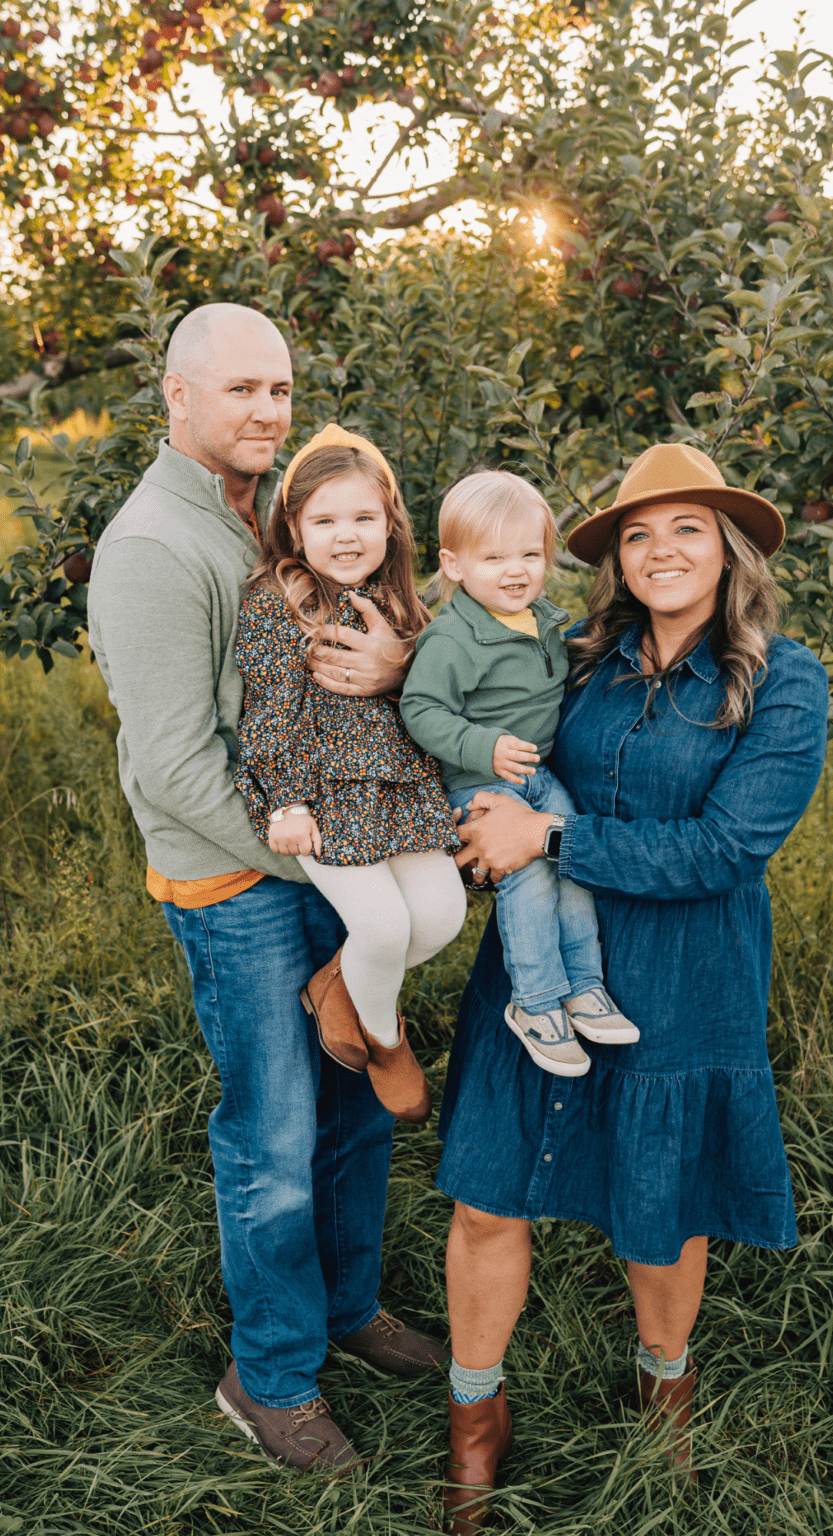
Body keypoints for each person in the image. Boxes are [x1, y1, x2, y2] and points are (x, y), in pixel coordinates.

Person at [436, 442, 830, 1531]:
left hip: (682, 975)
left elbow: (724, 850)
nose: (661, 550)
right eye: (638, 535)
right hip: (542, 966)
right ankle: (475, 1420)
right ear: (616, 563)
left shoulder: (781, 678)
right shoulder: (576, 660)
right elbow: (474, 716)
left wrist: (548, 834)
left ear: (728, 548)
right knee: (489, 1192)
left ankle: (667, 1396)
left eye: (686, 529)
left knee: (660, 1211)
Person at [87, 303, 449, 1478]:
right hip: (239, 881)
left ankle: (346, 1306)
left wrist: (399, 673)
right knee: (274, 1132)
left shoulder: (272, 523)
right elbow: (173, 763)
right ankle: (274, 1376)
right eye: (239, 389)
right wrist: (332, 861)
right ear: (177, 397)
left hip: (320, 858)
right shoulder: (156, 547)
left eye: (280, 391)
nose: (266, 410)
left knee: (347, 1107)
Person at [234, 423, 466, 1123]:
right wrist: (289, 802)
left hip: (399, 790)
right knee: (383, 927)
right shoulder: (280, 600)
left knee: (443, 915)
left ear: (390, 527)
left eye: (364, 518)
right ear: (294, 528)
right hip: (321, 796)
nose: (346, 535)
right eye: (325, 519)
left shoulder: (398, 603)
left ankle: (333, 986)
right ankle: (386, 1040)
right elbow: (272, 710)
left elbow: (427, 699)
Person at [400, 470, 638, 1079]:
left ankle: (582, 985)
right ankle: (535, 1002)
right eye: (495, 556)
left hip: (537, 776)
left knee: (572, 855)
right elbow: (420, 708)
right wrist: (483, 745)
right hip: (479, 784)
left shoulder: (546, 623)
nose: (516, 570)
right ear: (453, 564)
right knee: (529, 874)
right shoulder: (454, 637)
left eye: (531, 553)